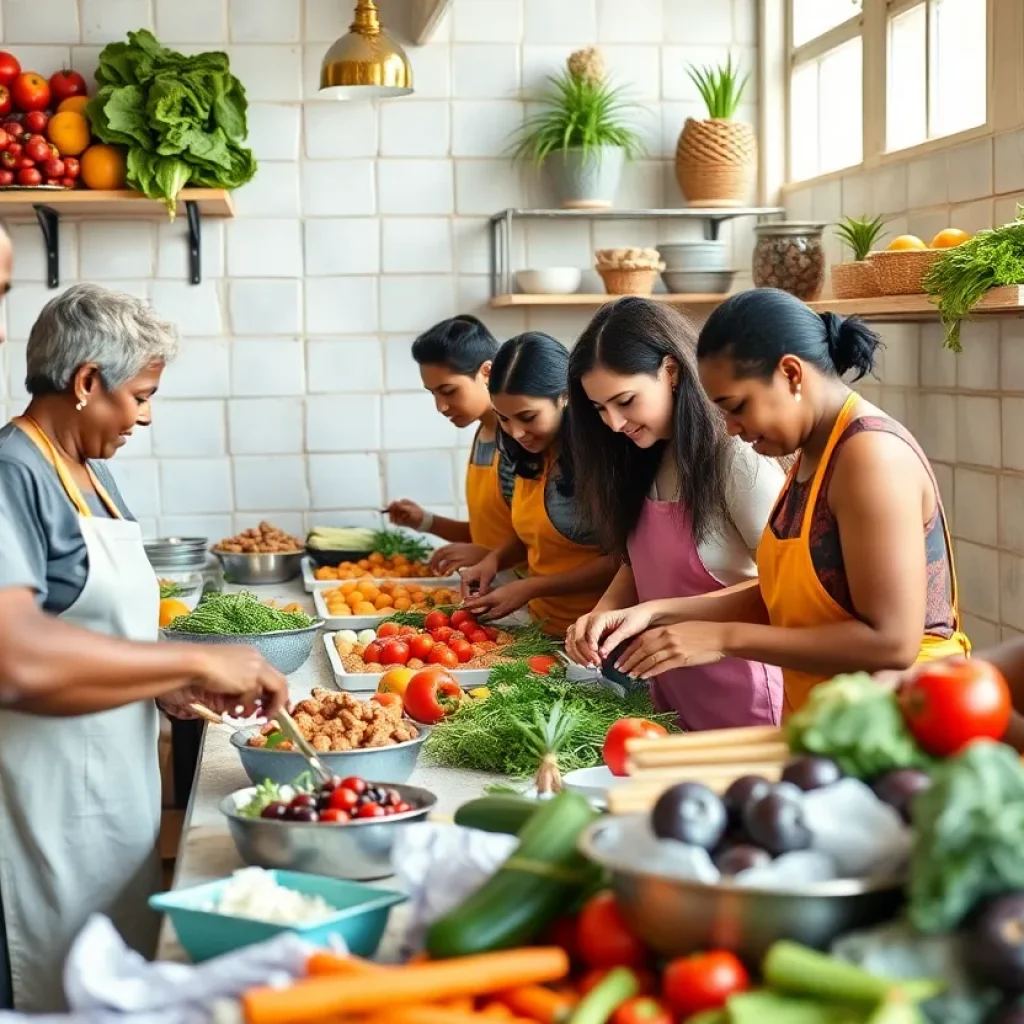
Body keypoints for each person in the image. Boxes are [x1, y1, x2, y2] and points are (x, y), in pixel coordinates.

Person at [0, 283, 288, 1011]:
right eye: (141, 394)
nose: (147, 415)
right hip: (39, 807)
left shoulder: (94, 477)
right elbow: (20, 660)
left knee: (112, 985)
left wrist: (163, 682)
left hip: (113, 796)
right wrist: (190, 658)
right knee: (55, 992)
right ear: (87, 382)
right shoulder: (12, 476)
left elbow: (97, 634)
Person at [587, 288, 970, 717]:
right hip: (833, 718)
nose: (730, 429)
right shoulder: (813, 454)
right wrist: (658, 613)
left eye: (737, 407)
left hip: (905, 722)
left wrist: (721, 638)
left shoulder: (870, 456)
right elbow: (784, 594)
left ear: (790, 373)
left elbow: (891, 643)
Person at [563, 298, 785, 729]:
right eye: (599, 409)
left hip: (750, 704)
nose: (613, 423)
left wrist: (654, 611)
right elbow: (642, 565)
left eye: (625, 401)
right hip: (674, 695)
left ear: (671, 371)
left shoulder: (737, 460)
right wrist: (602, 614)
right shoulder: (642, 458)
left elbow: (786, 585)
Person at [461, 331, 617, 637]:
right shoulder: (530, 455)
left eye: (528, 416)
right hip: (544, 628)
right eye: (504, 419)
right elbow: (534, 535)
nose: (517, 432)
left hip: (597, 637)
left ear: (565, 396)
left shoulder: (599, 463)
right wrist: (493, 560)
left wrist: (532, 587)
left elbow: (623, 563)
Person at [386, 315, 515, 576]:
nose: (440, 407)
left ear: (486, 373)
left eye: (448, 391)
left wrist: (492, 557)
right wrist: (425, 521)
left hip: (531, 599)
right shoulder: (483, 433)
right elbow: (488, 534)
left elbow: (545, 541)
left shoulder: (521, 441)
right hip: (494, 588)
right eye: (432, 393)